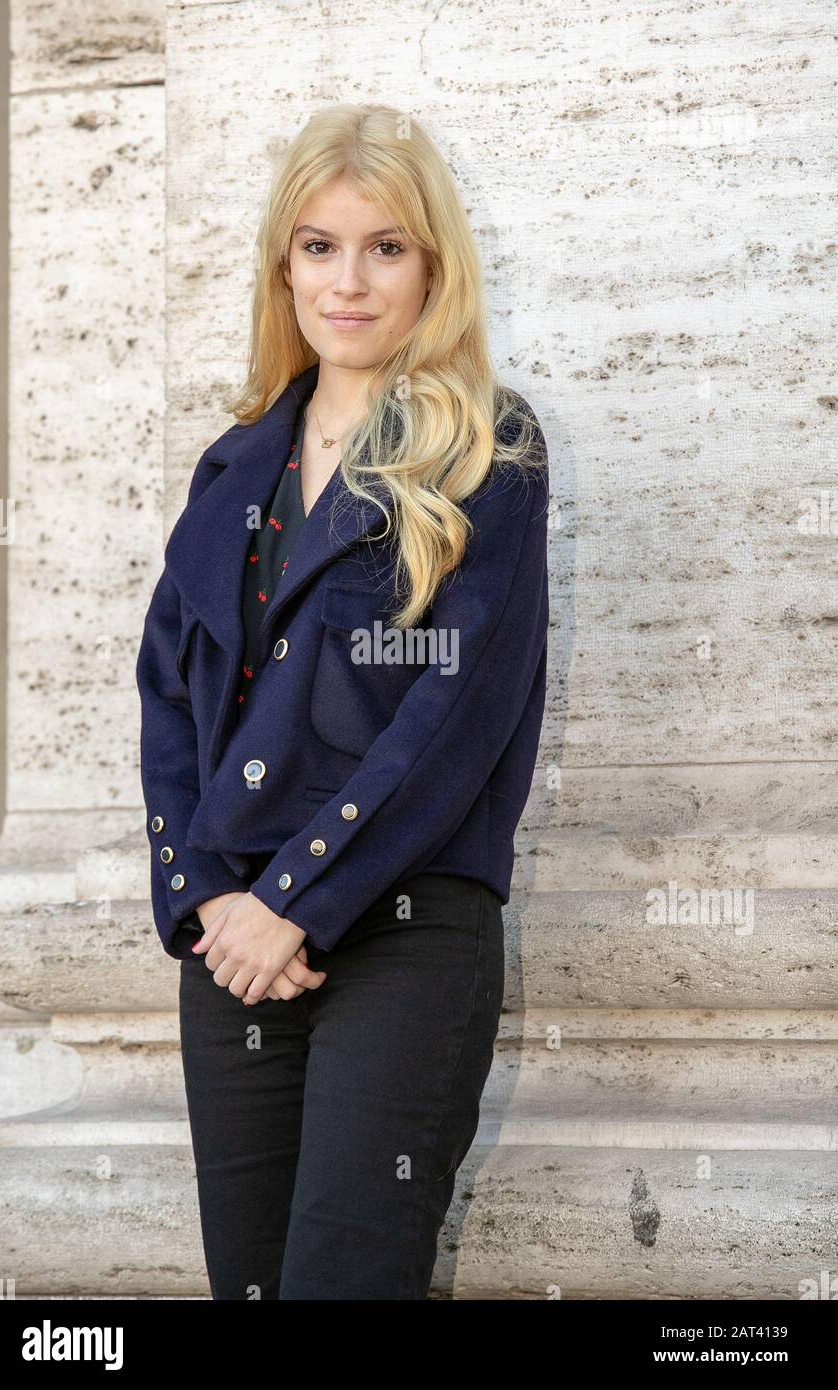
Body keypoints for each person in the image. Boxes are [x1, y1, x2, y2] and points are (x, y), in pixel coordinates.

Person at [135, 102, 550, 1300]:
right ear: (284, 267)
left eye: (385, 248)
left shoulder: (486, 448)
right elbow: (168, 696)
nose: (350, 282)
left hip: (405, 931)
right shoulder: (234, 465)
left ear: (434, 267)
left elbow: (454, 716)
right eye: (319, 246)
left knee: (342, 1280)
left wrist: (295, 901)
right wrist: (208, 895)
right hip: (233, 950)